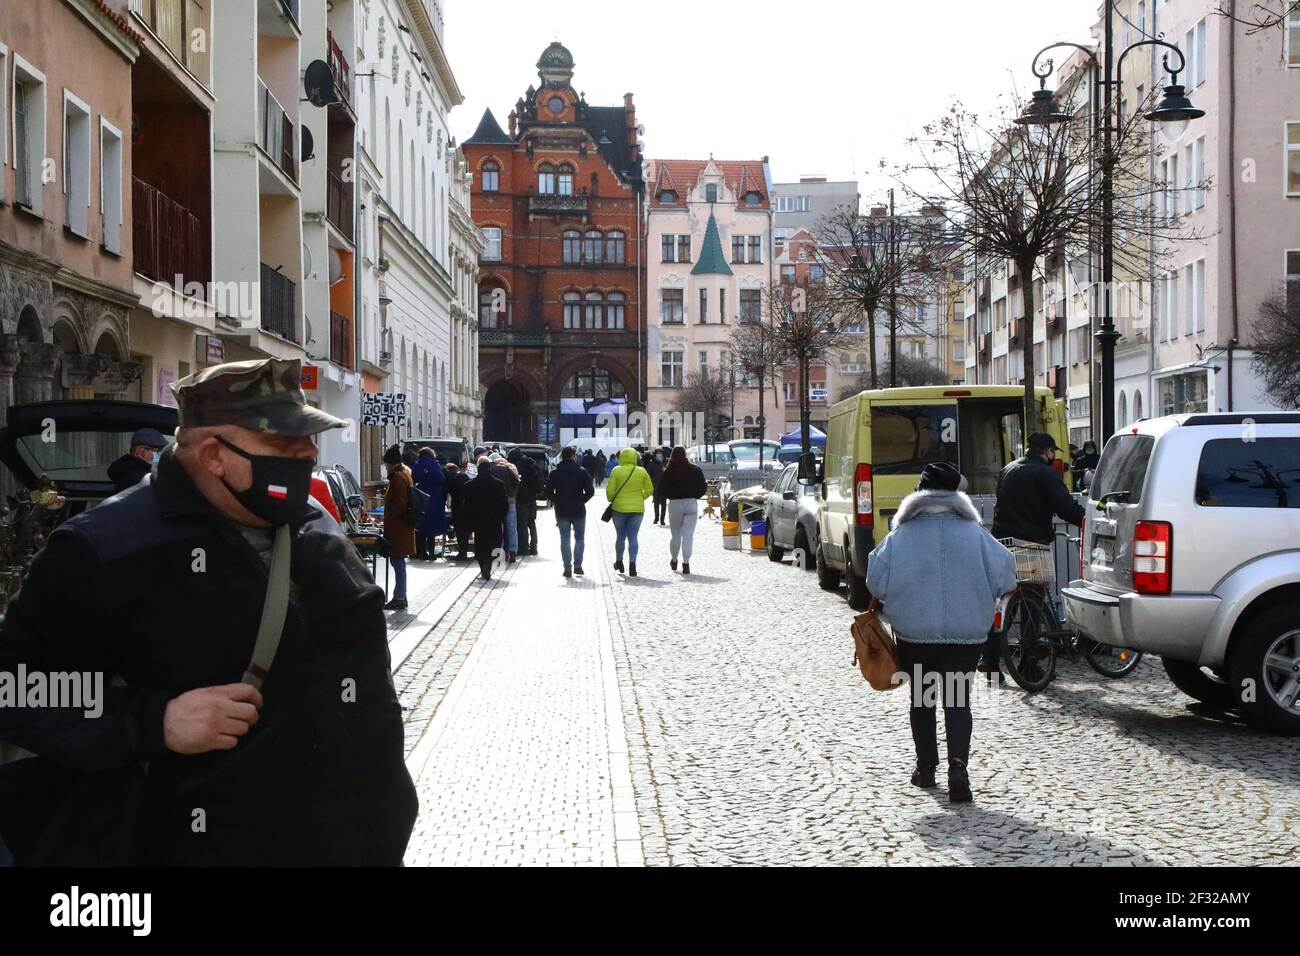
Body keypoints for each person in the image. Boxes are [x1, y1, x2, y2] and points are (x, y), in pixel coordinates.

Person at [0, 357, 416, 865]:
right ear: (215, 454)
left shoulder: (319, 533)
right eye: (284, 444)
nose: (308, 453)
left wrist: (389, 818)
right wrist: (156, 721)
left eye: (307, 440)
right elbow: (18, 686)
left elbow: (371, 699)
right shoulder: (104, 550)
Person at [866, 462, 1017, 804]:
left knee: (923, 700)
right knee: (958, 701)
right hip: (966, 635)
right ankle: (958, 768)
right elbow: (1006, 576)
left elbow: (875, 581)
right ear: (956, 495)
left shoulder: (900, 535)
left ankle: (926, 768)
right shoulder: (975, 533)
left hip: (915, 634)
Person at [984, 432, 1087, 675]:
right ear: (1048, 452)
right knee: (1033, 599)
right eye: (1053, 453)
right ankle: (1029, 662)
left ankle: (989, 659)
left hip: (1003, 542)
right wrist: (1085, 519)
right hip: (1032, 543)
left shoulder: (1008, 469)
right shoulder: (1045, 473)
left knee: (1006, 598)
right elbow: (1064, 506)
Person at [545, 446, 594, 578]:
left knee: (565, 539)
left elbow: (548, 492)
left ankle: (567, 568)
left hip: (561, 510)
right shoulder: (582, 471)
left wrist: (557, 500)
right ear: (573, 456)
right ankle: (578, 566)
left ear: (562, 457)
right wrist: (581, 500)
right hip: (578, 509)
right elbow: (590, 491)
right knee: (579, 538)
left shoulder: (555, 473)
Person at [657, 445, 707, 574]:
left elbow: (661, 489)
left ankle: (674, 559)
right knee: (688, 535)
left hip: (674, 503)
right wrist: (695, 495)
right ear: (685, 454)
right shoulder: (695, 469)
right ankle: (686, 562)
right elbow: (703, 487)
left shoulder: (668, 471)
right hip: (691, 503)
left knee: (675, 535)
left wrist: (670, 495)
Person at [606, 448, 655, 577]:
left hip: (619, 509)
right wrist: (641, 497)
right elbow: (650, 489)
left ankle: (619, 560)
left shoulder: (616, 471)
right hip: (637, 509)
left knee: (620, 536)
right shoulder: (641, 471)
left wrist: (612, 499)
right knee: (633, 536)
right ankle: (632, 564)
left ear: (621, 457)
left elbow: (610, 491)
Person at [460, 455, 509, 579]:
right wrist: (501, 517)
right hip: (494, 520)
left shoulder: (469, 485)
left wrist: (469, 521)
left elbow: (466, 506)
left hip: (478, 520)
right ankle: (489, 563)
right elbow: (504, 504)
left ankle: (484, 566)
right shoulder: (498, 484)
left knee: (480, 544)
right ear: (490, 469)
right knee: (495, 543)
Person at [381, 444, 416, 610]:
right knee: (398, 562)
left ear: (391, 464)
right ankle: (401, 595)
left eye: (386, 464)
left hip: (398, 528)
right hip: (401, 528)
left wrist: (388, 516)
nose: (385, 467)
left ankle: (400, 597)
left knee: (398, 562)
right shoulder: (405, 474)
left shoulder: (397, 477)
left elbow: (400, 503)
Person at [410, 447, 446, 560]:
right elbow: (441, 479)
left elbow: (412, 481)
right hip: (433, 500)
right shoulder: (435, 465)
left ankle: (421, 552)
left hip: (419, 500)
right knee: (432, 526)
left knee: (420, 526)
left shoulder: (416, 465)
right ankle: (431, 553)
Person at [107, 427, 167, 494]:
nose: (160, 454)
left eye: (162, 450)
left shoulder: (128, 469)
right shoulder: (137, 476)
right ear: (139, 450)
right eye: (156, 450)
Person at [487, 452, 520, 562]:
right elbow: (517, 482)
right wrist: (512, 494)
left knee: (498, 528)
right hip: (510, 500)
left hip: (496, 502)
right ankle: (513, 552)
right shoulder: (507, 468)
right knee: (511, 527)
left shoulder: (490, 470)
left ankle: (500, 553)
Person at [508, 448, 540, 557]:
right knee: (532, 523)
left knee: (522, 525)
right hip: (532, 498)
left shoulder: (517, 467)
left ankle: (524, 549)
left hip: (521, 499)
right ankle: (534, 548)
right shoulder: (531, 464)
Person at [443, 462, 471, 560]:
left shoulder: (450, 478)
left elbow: (447, 492)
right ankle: (464, 552)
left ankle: (462, 553)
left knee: (460, 530)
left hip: (457, 507)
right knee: (466, 530)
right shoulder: (464, 476)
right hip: (468, 506)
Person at [646, 450, 667, 525]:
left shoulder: (665, 462)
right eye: (658, 454)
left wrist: (666, 470)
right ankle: (656, 517)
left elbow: (670, 473)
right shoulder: (652, 463)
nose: (659, 456)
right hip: (655, 486)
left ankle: (662, 519)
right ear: (655, 455)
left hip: (664, 486)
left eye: (660, 454)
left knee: (664, 504)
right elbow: (648, 474)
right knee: (656, 502)